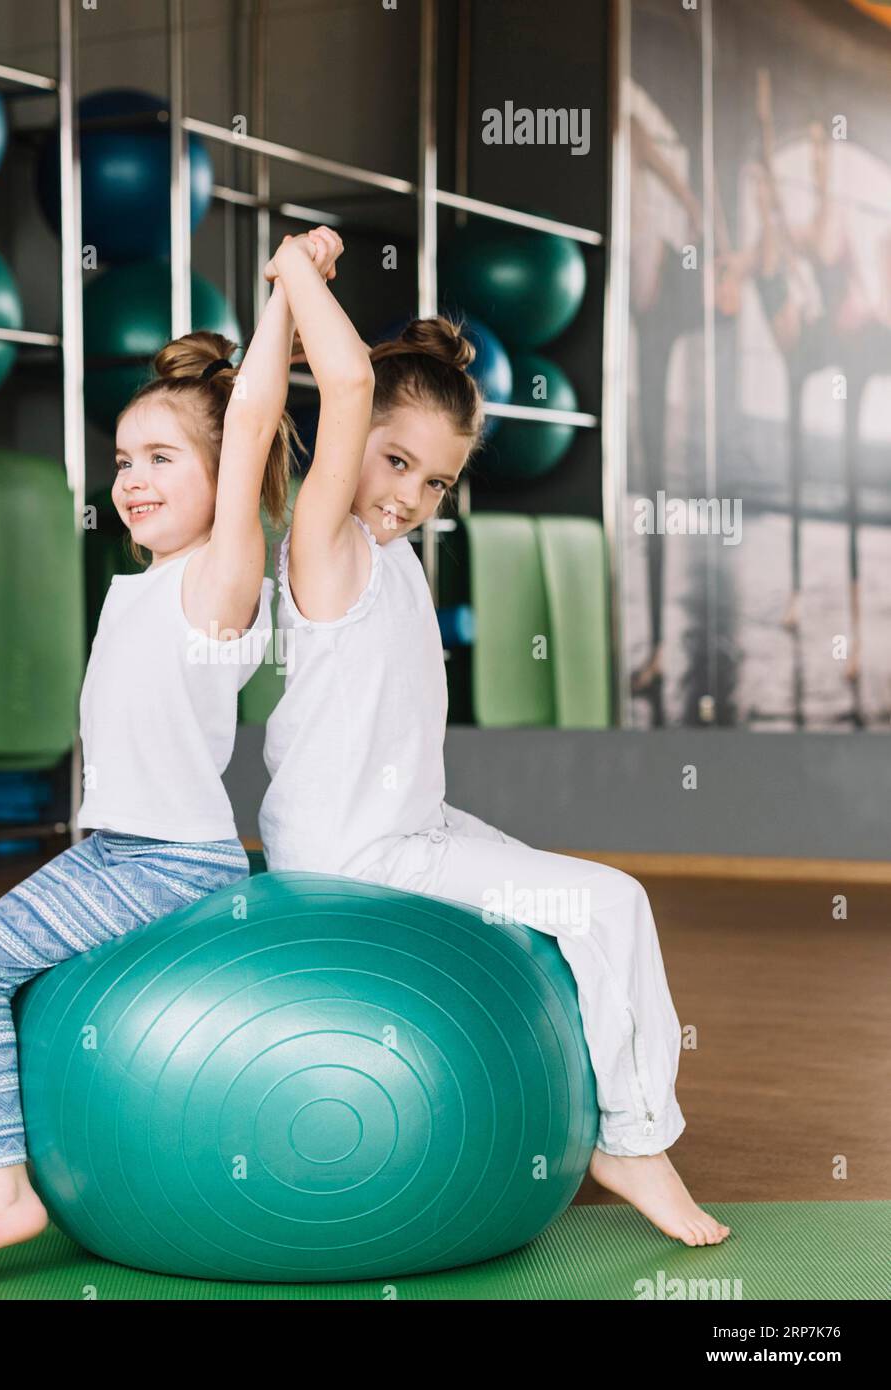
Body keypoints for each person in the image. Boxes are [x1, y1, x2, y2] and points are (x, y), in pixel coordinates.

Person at [258, 231, 730, 1247]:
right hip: (359, 858)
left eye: (434, 483)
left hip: (402, 830)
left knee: (550, 894)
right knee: (614, 901)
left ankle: (586, 1108)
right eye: (393, 460)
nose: (407, 497)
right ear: (351, 444)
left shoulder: (393, 562)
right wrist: (295, 270)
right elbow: (342, 384)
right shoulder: (326, 542)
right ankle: (633, 1138)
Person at [0, 238, 327, 1284]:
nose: (132, 479)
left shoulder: (220, 582)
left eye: (162, 458)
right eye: (123, 460)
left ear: (232, 473)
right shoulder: (136, 585)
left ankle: (2, 1187)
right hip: (118, 849)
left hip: (170, 860)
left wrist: (288, 294)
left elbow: (255, 413)